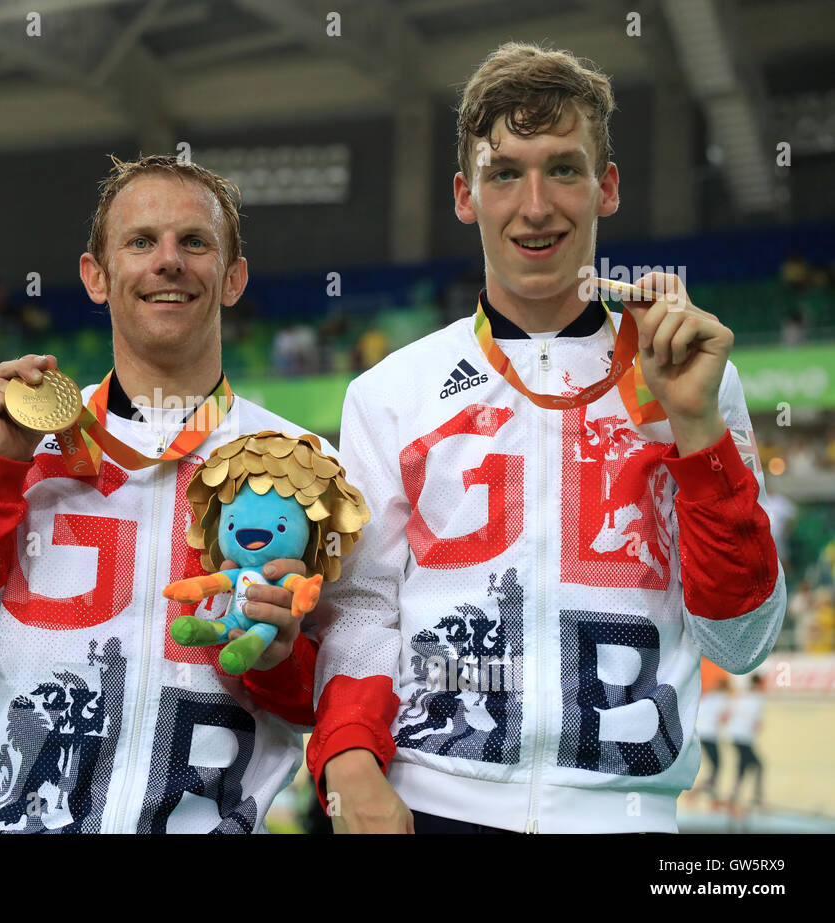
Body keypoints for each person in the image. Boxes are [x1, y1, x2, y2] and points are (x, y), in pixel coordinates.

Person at [313, 42, 786, 834]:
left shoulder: (693, 379)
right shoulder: (389, 393)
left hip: (626, 818)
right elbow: (362, 613)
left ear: (606, 187)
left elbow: (741, 642)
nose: (535, 206)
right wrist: (349, 761)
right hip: (430, 806)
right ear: (467, 196)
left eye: (563, 168)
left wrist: (697, 429)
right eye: (505, 174)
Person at [0, 154, 321, 833]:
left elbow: (321, 694)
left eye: (194, 242)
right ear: (95, 277)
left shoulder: (302, 467)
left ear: (234, 277)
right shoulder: (23, 448)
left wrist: (278, 660)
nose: (168, 261)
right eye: (141, 241)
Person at [726, 673, 767, 814]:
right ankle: (756, 797)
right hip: (744, 738)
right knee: (759, 765)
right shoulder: (759, 698)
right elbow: (758, 723)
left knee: (743, 767)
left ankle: (734, 796)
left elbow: (730, 714)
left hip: (735, 736)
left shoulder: (742, 696)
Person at [692, 679, 729, 805]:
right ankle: (706, 794)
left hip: (702, 734)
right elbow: (724, 718)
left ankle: (706, 793)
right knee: (717, 766)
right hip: (711, 735)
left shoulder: (708, 697)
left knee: (714, 766)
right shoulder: (723, 698)